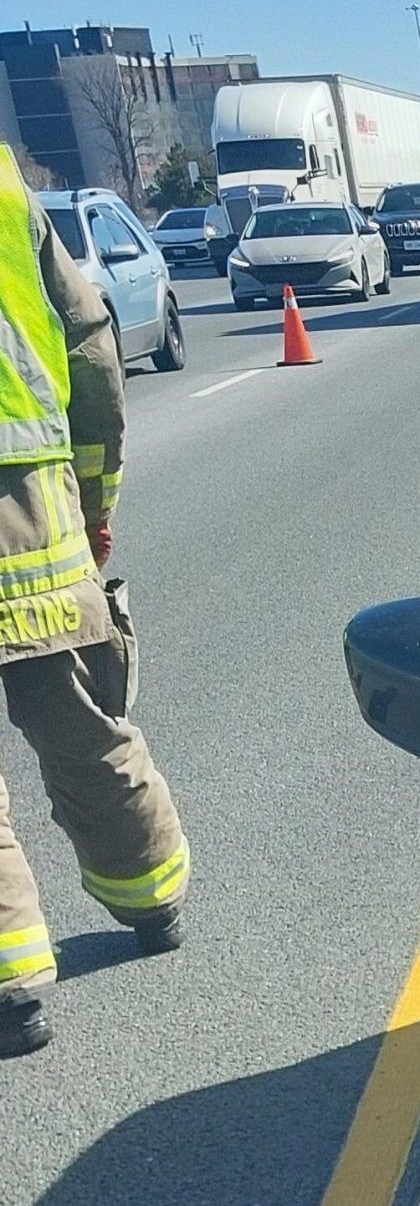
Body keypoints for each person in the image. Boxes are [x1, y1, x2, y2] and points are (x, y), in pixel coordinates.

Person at [0, 141, 189, 1058]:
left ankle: (13, 993)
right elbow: (88, 345)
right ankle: (155, 903)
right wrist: (96, 491)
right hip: (30, 519)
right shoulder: (5, 189)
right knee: (82, 725)